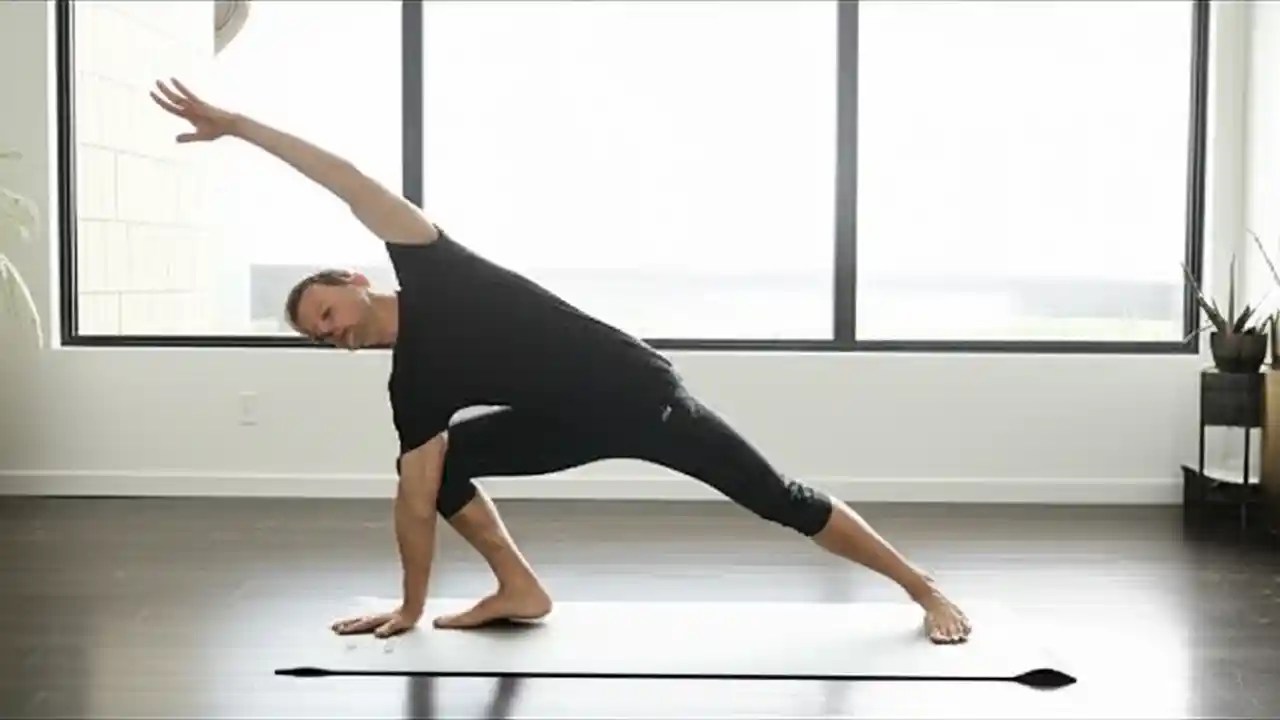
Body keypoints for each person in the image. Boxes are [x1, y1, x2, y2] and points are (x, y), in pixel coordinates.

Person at [149, 78, 972, 644]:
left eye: (327, 314)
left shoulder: (433, 263)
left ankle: (921, 586)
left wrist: (242, 128)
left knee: (778, 499)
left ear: (352, 281)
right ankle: (520, 590)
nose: (332, 333)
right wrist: (408, 607)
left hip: (643, 397)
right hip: (565, 423)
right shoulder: (414, 385)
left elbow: (349, 181)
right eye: (319, 338)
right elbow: (412, 498)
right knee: (438, 470)